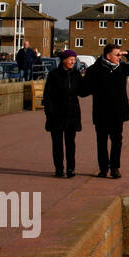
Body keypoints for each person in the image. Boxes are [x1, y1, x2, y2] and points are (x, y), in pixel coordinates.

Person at [80, 43, 129, 179]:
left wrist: (128, 54)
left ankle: (115, 168)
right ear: (108, 56)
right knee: (101, 141)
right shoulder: (94, 69)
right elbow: (83, 90)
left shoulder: (122, 68)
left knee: (117, 140)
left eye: (120, 54)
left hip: (118, 111)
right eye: (117, 55)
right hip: (101, 111)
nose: (119, 57)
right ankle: (103, 168)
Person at [43, 48, 84, 178]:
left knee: (70, 143)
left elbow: (82, 91)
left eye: (74, 59)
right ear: (64, 60)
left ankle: (71, 169)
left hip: (72, 114)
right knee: (57, 144)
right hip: (56, 114)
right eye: (71, 59)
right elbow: (47, 95)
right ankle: (59, 169)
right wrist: (49, 112)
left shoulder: (76, 74)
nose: (73, 62)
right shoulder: (54, 74)